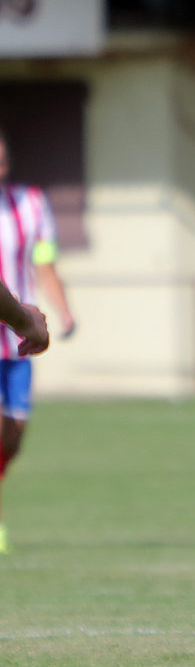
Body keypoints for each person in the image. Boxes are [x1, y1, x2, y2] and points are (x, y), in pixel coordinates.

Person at [0, 128, 74, 554]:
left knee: (14, 435)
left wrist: (61, 311)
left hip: (17, 340)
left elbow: (44, 263)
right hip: (18, 322)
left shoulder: (30, 203)